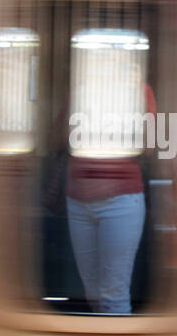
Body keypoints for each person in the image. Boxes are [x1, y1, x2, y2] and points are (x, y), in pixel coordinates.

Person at [60, 83, 158, 315]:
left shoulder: (140, 89)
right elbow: (59, 137)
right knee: (93, 293)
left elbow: (154, 145)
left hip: (121, 201)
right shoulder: (79, 84)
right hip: (78, 201)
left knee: (113, 295)